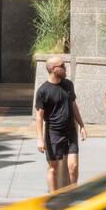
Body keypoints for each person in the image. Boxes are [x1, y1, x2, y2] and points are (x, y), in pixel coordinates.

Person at [35, 56, 87, 189]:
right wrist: (40, 139)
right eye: (62, 66)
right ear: (53, 69)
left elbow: (74, 105)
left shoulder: (68, 85)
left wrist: (81, 125)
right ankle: (53, 198)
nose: (65, 68)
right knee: (53, 168)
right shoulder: (43, 90)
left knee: (73, 166)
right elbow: (39, 117)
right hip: (53, 133)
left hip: (70, 132)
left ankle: (73, 193)